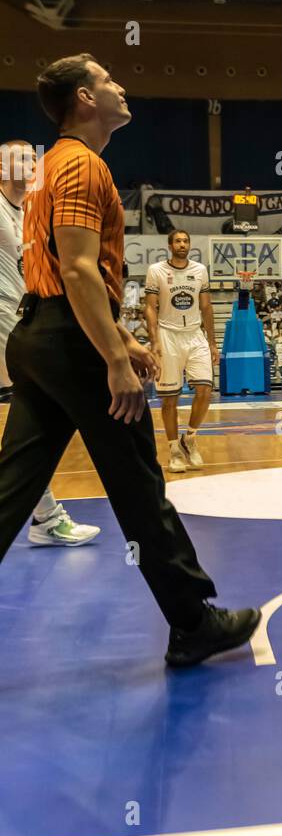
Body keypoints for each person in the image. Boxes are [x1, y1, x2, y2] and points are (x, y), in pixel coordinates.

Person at [0, 55, 260, 666]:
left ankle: (192, 620)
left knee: (12, 487)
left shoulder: (45, 169)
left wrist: (119, 333)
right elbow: (77, 268)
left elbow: (63, 278)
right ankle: (194, 623)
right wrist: (114, 357)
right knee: (139, 486)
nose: (121, 87)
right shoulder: (83, 165)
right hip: (72, 347)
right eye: (108, 80)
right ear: (86, 100)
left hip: (36, 336)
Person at [0, 139, 100, 546]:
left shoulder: (34, 207)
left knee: (27, 421)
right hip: (4, 318)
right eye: (17, 156)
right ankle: (44, 517)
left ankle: (44, 517)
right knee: (34, 415)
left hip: (23, 319)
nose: (28, 163)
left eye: (31, 157)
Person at [144, 230, 219, 473]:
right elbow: (150, 307)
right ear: (169, 245)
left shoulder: (200, 270)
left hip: (195, 334)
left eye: (186, 241)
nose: (182, 244)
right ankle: (174, 449)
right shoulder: (156, 271)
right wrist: (154, 339)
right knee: (169, 399)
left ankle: (190, 438)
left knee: (205, 390)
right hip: (167, 335)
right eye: (177, 241)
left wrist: (212, 342)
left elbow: (206, 307)